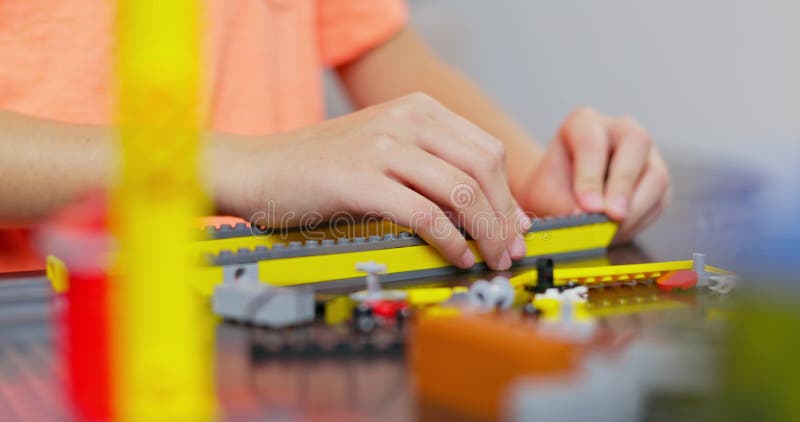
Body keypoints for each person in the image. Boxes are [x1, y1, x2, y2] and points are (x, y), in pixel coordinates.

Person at [0, 0, 670, 272]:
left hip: (286, 289)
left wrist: (524, 180)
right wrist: (250, 167)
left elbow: (379, 49)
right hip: (47, 311)